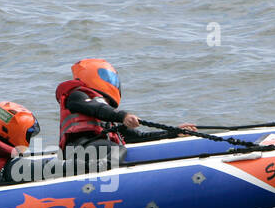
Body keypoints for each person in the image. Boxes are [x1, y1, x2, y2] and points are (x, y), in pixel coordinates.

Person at [55, 59, 196, 170]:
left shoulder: (108, 119)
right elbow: (96, 108)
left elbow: (140, 137)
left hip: (96, 149)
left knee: (116, 147)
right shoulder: (77, 96)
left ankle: (99, 168)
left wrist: (174, 133)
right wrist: (123, 116)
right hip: (79, 148)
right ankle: (102, 170)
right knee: (117, 149)